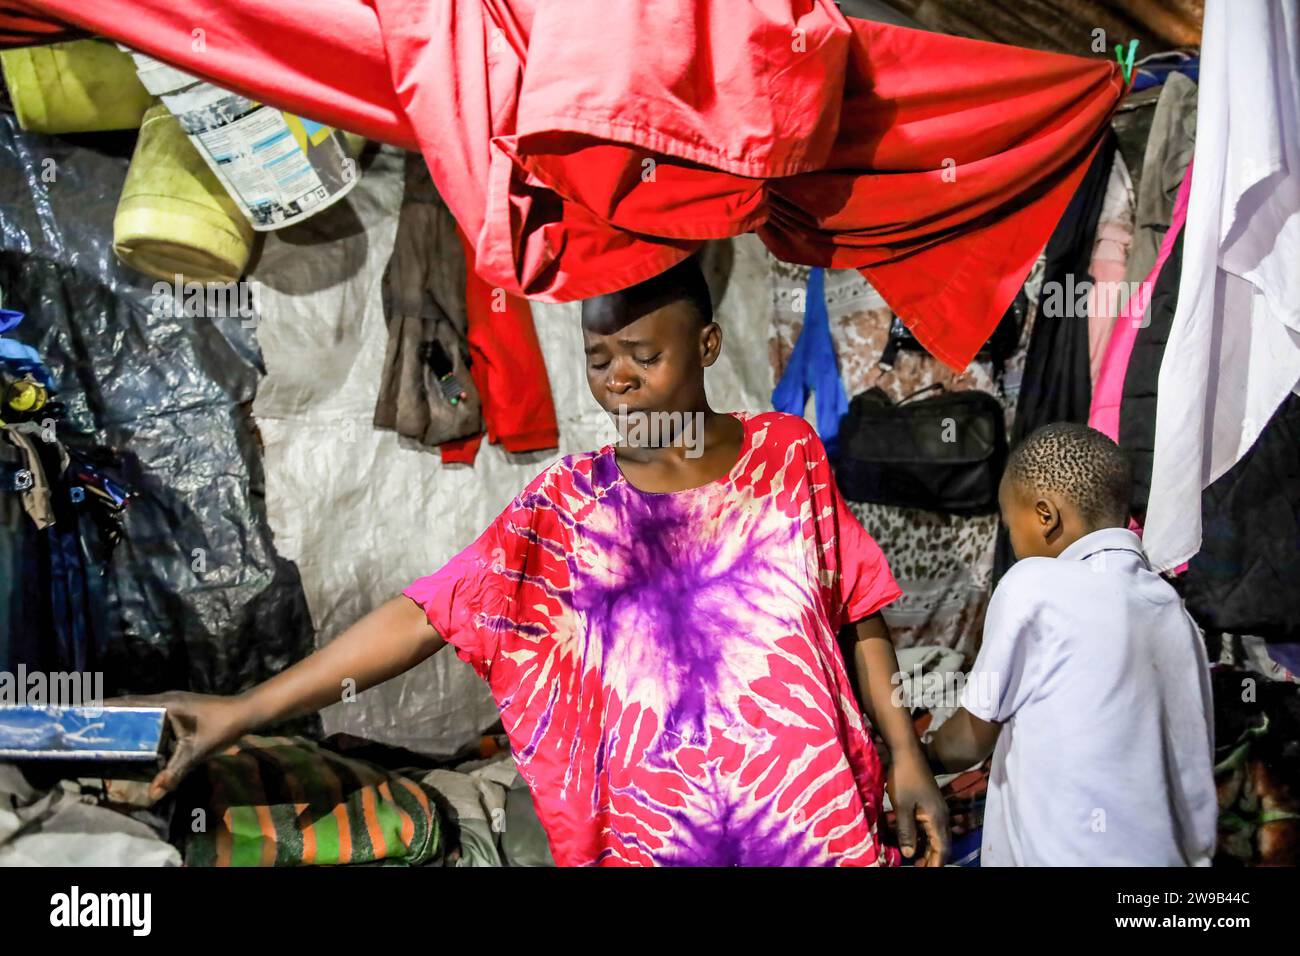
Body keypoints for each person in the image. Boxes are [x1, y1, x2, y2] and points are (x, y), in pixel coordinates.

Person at [123, 256, 948, 867]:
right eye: (599, 359)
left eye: (642, 355)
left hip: (818, 821)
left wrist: (905, 753)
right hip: (664, 840)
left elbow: (855, 607)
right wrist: (243, 710)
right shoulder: (569, 508)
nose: (619, 380)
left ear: (705, 345)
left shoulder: (786, 453)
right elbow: (424, 614)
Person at [926, 422, 1217, 866]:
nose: (1013, 543)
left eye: (1010, 526)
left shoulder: (1034, 584)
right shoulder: (1174, 613)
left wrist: (917, 755)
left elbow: (968, 741)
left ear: (1045, 516)